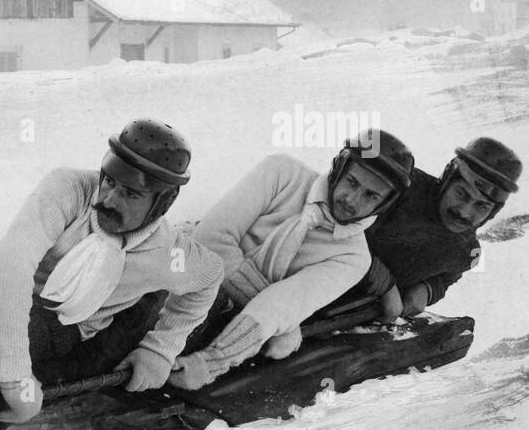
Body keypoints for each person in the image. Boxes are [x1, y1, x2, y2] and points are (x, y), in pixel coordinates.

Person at [0, 119, 224, 425]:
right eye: (110, 181)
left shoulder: (171, 252)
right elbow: (10, 267)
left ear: (163, 202)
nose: (109, 199)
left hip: (56, 324)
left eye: (130, 195)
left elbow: (210, 277)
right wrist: (16, 375)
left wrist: (160, 350)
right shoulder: (70, 187)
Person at [168, 130, 414, 391]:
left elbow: (277, 305)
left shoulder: (353, 257)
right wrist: (283, 325)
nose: (352, 200)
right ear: (339, 169)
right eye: (352, 182)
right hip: (180, 261)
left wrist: (212, 362)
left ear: (383, 205)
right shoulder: (282, 172)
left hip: (225, 313)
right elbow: (210, 242)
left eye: (371, 196)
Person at [349, 137, 521, 320]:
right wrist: (385, 286)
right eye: (461, 194)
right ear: (447, 180)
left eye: (481, 207)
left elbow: (446, 278)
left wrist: (428, 289)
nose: (464, 212)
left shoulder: (467, 251)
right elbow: (342, 231)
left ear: (492, 213)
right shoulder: (400, 187)